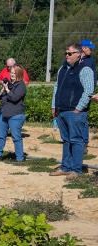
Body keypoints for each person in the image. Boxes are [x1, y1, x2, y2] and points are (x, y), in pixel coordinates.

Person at [50, 43, 94, 179]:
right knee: (66, 140)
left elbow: (88, 91)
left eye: (70, 53)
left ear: (79, 54)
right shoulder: (62, 69)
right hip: (61, 110)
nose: (67, 56)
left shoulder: (85, 69)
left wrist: (78, 108)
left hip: (75, 112)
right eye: (66, 53)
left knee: (76, 140)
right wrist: (54, 105)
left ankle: (76, 170)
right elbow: (56, 87)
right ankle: (66, 167)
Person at [0, 65, 27, 161]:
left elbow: (14, 98)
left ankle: (20, 158)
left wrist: (7, 90)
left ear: (19, 74)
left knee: (16, 137)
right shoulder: (8, 84)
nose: (12, 74)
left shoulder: (21, 85)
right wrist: (3, 89)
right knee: (1, 136)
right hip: (3, 113)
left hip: (15, 115)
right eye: (11, 72)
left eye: (14, 73)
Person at [80, 39, 96, 154]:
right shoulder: (81, 59)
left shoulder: (89, 60)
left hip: (86, 91)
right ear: (84, 48)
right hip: (77, 91)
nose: (91, 50)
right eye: (90, 48)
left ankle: (84, 143)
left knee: (83, 116)